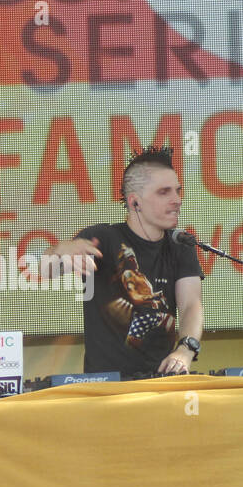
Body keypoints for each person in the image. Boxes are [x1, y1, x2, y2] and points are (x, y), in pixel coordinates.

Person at [46, 145, 204, 376]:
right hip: (106, 386)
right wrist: (61, 250)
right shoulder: (104, 238)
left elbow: (191, 305)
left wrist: (185, 350)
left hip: (162, 380)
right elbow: (45, 269)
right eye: (164, 192)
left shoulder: (181, 244)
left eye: (178, 191)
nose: (177, 200)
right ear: (135, 202)